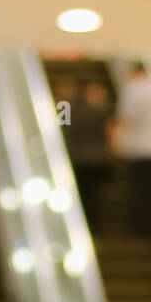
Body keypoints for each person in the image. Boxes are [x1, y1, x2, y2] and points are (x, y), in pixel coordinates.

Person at [112, 62, 151, 237]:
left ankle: (139, 227)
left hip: (137, 148)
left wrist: (115, 143)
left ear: (134, 72)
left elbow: (125, 119)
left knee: (138, 190)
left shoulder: (133, 90)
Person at [63, 80, 113, 229]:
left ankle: (80, 222)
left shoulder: (68, 108)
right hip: (95, 159)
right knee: (94, 194)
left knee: (82, 192)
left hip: (77, 157)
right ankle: (93, 223)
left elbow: (64, 128)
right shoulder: (100, 110)